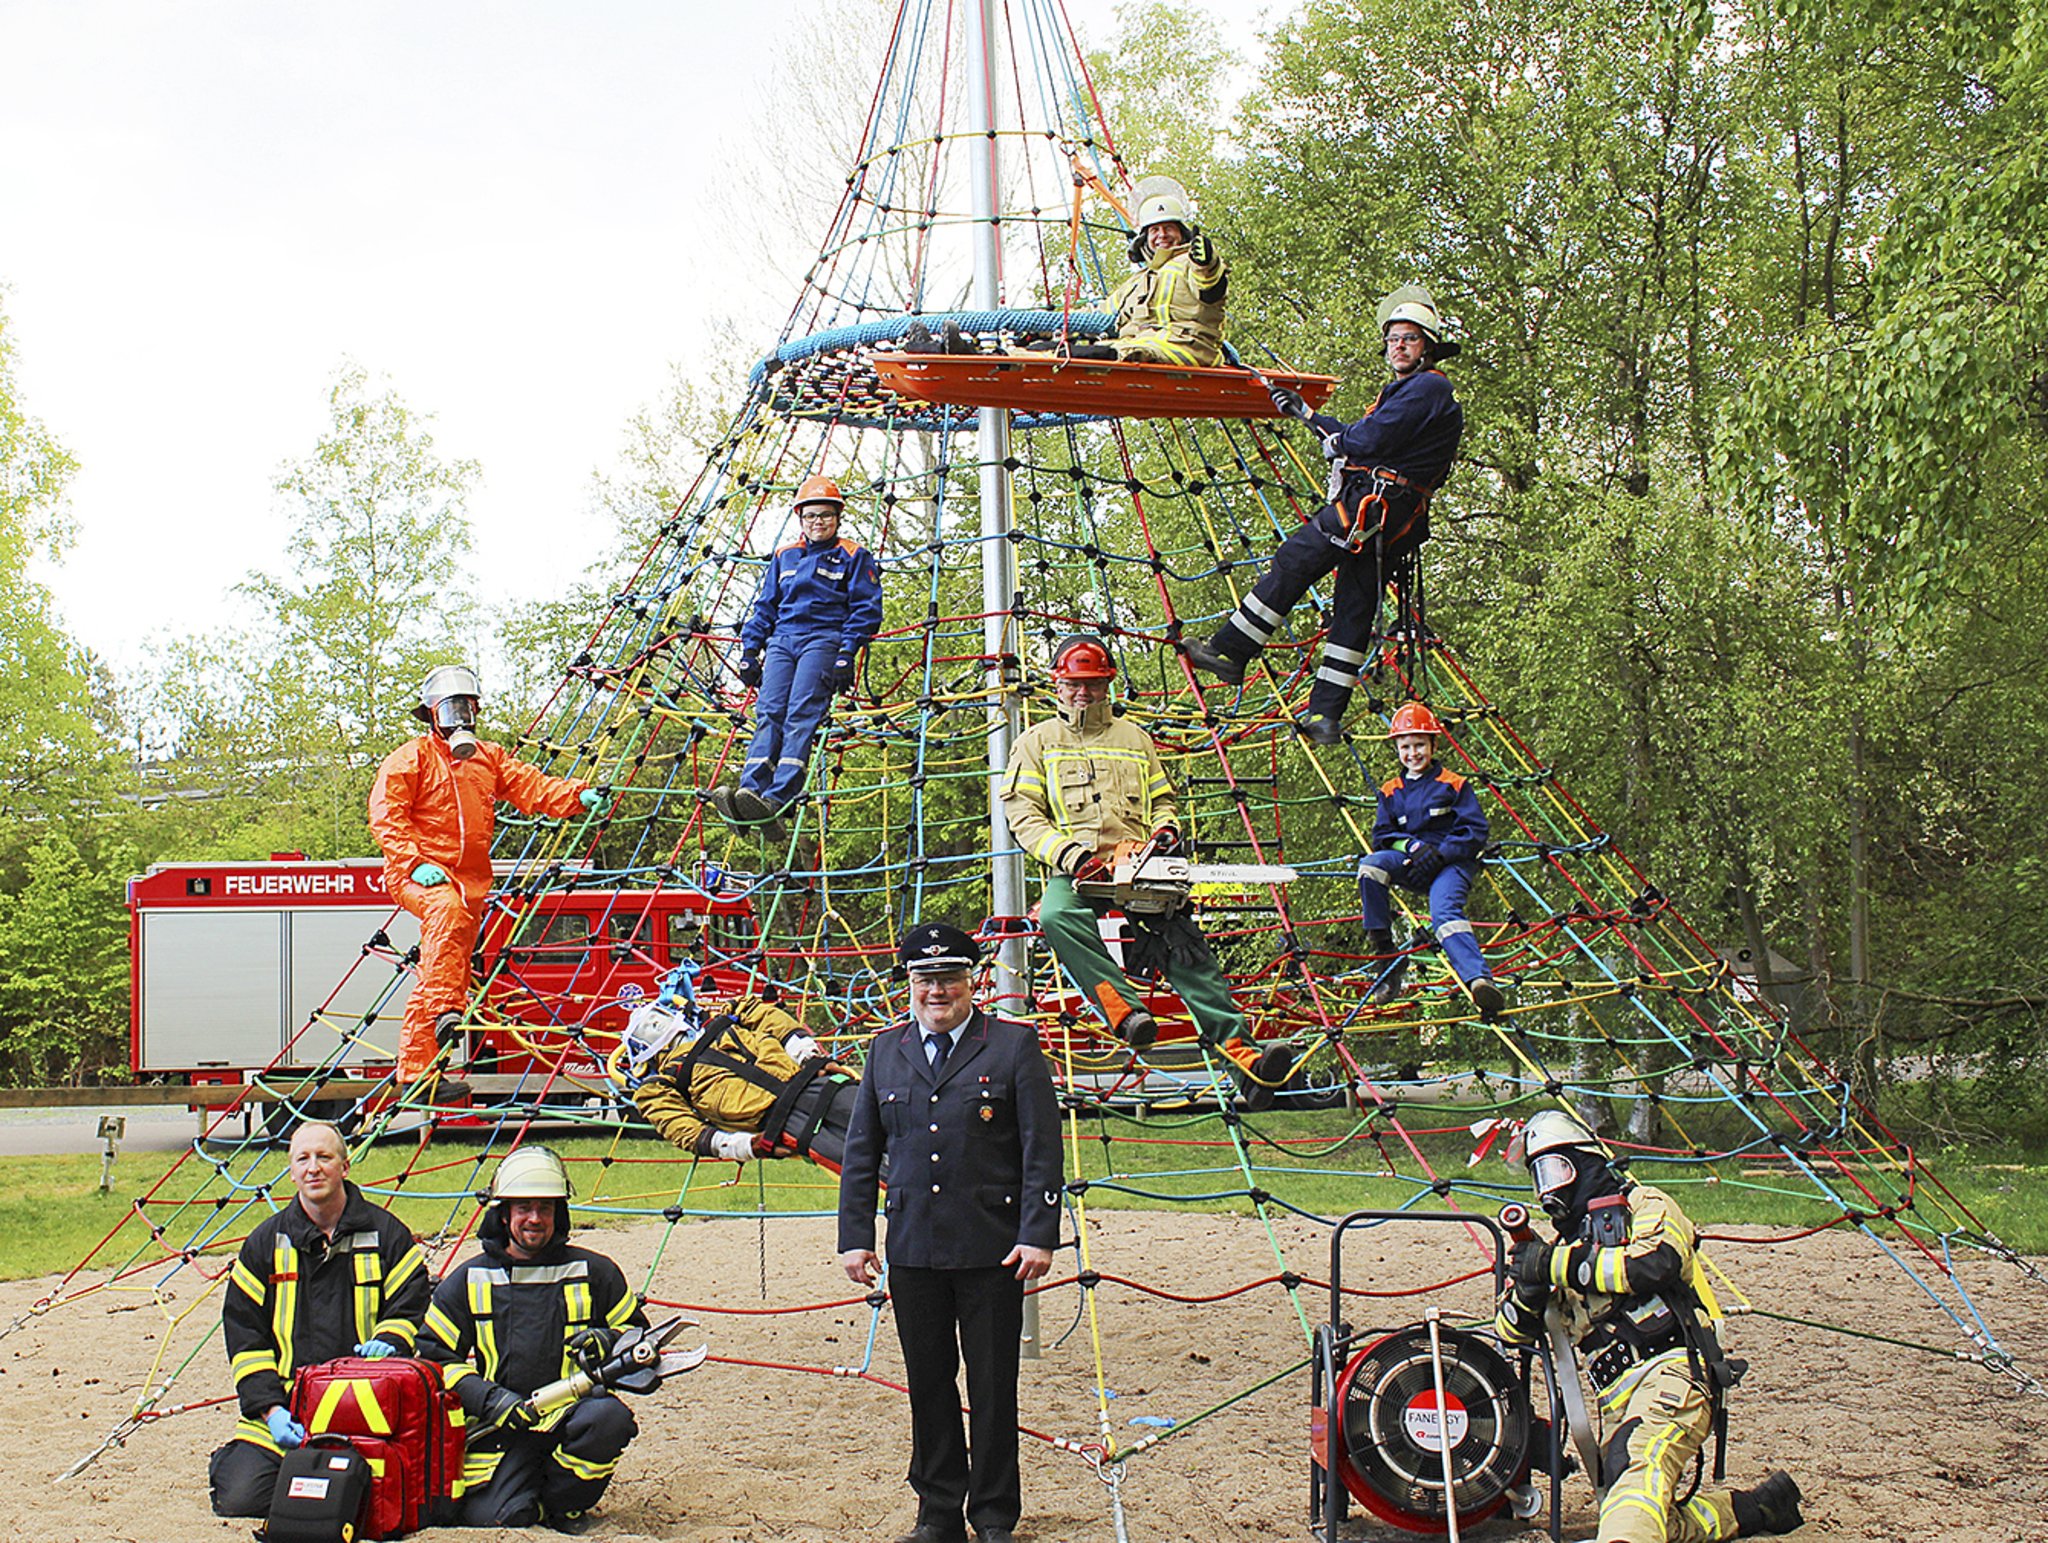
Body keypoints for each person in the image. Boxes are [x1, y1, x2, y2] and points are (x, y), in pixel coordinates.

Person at [837, 922, 1063, 1543]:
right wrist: (856, 1236)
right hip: (913, 1250)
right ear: (910, 984)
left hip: (993, 1248)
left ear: (972, 982)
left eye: (949, 979)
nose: (937, 991)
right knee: (928, 1385)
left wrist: (1039, 1233)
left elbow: (1041, 1149)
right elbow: (862, 1154)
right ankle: (938, 1511)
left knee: (993, 1388)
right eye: (924, 980)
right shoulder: (886, 1050)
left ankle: (992, 1514)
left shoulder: (1012, 1047)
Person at [999, 634, 1294, 1108]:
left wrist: (1164, 831)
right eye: (1075, 684)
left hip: (1142, 863)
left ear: (1107, 686)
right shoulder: (1036, 742)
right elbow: (1025, 815)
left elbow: (1163, 800)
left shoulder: (1133, 737)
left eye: (1093, 685)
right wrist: (1072, 856)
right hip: (1079, 869)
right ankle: (1123, 1012)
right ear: (1059, 683)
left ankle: (1245, 1059)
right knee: (1056, 916)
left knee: (1184, 948)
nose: (1083, 693)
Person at [1497, 1111, 1805, 1543]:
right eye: (1539, 1177)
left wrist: (1554, 1264)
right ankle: (1755, 1509)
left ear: (1586, 1163)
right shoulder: (1560, 1254)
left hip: (1673, 1375)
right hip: (1615, 1406)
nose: (1549, 1189)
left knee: (1638, 1472)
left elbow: (1655, 1264)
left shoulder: (1647, 1205)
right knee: (1640, 1509)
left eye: (1556, 1170)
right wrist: (1528, 1290)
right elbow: (1510, 1334)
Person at [1183, 284, 1464, 744]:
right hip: (1392, 515)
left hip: (1373, 507)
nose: (1398, 346)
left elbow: (1368, 441)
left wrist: (1335, 437)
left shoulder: (1429, 387)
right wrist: (1309, 415)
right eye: (1393, 339)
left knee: (1295, 558)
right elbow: (1363, 435)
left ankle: (1231, 651)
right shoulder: (1413, 392)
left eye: (1409, 339)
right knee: (1354, 607)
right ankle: (1325, 715)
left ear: (1427, 346)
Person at [369, 664, 601, 1088]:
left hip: (472, 880)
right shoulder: (409, 759)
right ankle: (446, 1014)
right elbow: (387, 818)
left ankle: (418, 1072)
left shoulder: (487, 757)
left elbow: (532, 787)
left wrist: (577, 795)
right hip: (420, 875)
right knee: (446, 920)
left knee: (446, 962)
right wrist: (412, 861)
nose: (460, 717)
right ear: (432, 714)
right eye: (451, 708)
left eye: (466, 708)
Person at [208, 1121, 431, 1517]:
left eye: (324, 1157)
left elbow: (411, 1305)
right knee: (241, 1498)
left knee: (378, 1499)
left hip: (367, 1406)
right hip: (288, 1408)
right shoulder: (264, 1244)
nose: (314, 1168)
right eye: (303, 1159)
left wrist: (391, 1342)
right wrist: (271, 1410)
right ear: (291, 1172)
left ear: (344, 1167)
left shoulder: (388, 1236)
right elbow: (245, 1338)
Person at [421, 1146, 650, 1531]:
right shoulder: (468, 1279)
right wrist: (492, 1400)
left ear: (558, 1214)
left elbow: (641, 1337)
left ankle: (566, 1505)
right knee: (500, 1519)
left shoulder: (595, 1271)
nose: (534, 1218)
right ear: (504, 1212)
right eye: (523, 1207)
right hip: (499, 1425)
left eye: (545, 1208)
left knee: (608, 1420)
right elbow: (434, 1357)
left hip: (572, 1415)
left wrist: (607, 1341)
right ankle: (532, 1501)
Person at [707, 475, 883, 827]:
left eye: (826, 515)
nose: (818, 522)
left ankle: (779, 797)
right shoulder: (785, 556)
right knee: (769, 710)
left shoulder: (852, 554)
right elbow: (766, 607)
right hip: (783, 639)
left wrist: (847, 652)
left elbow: (867, 608)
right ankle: (750, 793)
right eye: (811, 516)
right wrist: (750, 649)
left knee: (800, 713)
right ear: (800, 519)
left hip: (823, 637)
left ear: (837, 518)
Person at [905, 174, 1227, 366]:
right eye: (1155, 231)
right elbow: (1096, 318)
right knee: (1050, 346)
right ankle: (960, 351)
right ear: (1145, 239)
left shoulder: (1193, 263)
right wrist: (1042, 328)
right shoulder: (1137, 284)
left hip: (1181, 352)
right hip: (1137, 349)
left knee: (1074, 356)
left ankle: (982, 358)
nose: (1162, 235)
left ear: (1183, 233)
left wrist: (1206, 263)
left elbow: (1211, 288)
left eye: (1169, 228)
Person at [1358, 700, 1505, 1022]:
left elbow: (1475, 830)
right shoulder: (1391, 790)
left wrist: (1442, 854)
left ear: (1433, 745)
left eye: (1420, 745)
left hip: (1450, 865)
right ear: (1397, 748)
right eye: (1406, 746)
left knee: (1445, 915)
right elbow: (1383, 836)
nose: (1413, 753)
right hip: (1412, 862)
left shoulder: (1453, 784)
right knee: (1370, 867)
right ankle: (1386, 957)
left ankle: (1479, 980)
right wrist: (1410, 846)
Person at [627, 989, 876, 1176]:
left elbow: (685, 1130)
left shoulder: (726, 1019)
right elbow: (686, 1130)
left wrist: (746, 1147)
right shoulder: (662, 1086)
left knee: (868, 1167)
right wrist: (747, 1145)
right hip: (806, 1099)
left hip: (793, 1114)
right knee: (891, 1133)